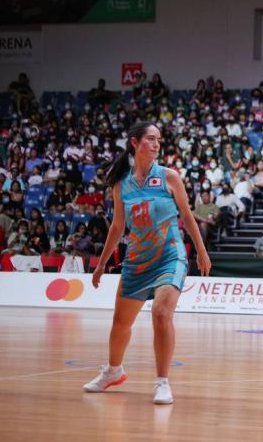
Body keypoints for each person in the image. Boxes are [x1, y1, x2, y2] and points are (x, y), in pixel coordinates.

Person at [82, 121, 211, 405]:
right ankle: (113, 372)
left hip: (170, 255)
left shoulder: (169, 177)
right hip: (137, 260)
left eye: (158, 140)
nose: (156, 144)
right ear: (134, 142)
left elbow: (187, 216)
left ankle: (162, 381)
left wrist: (201, 251)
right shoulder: (121, 185)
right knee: (120, 323)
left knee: (162, 313)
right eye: (151, 139)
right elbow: (117, 227)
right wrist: (101, 264)